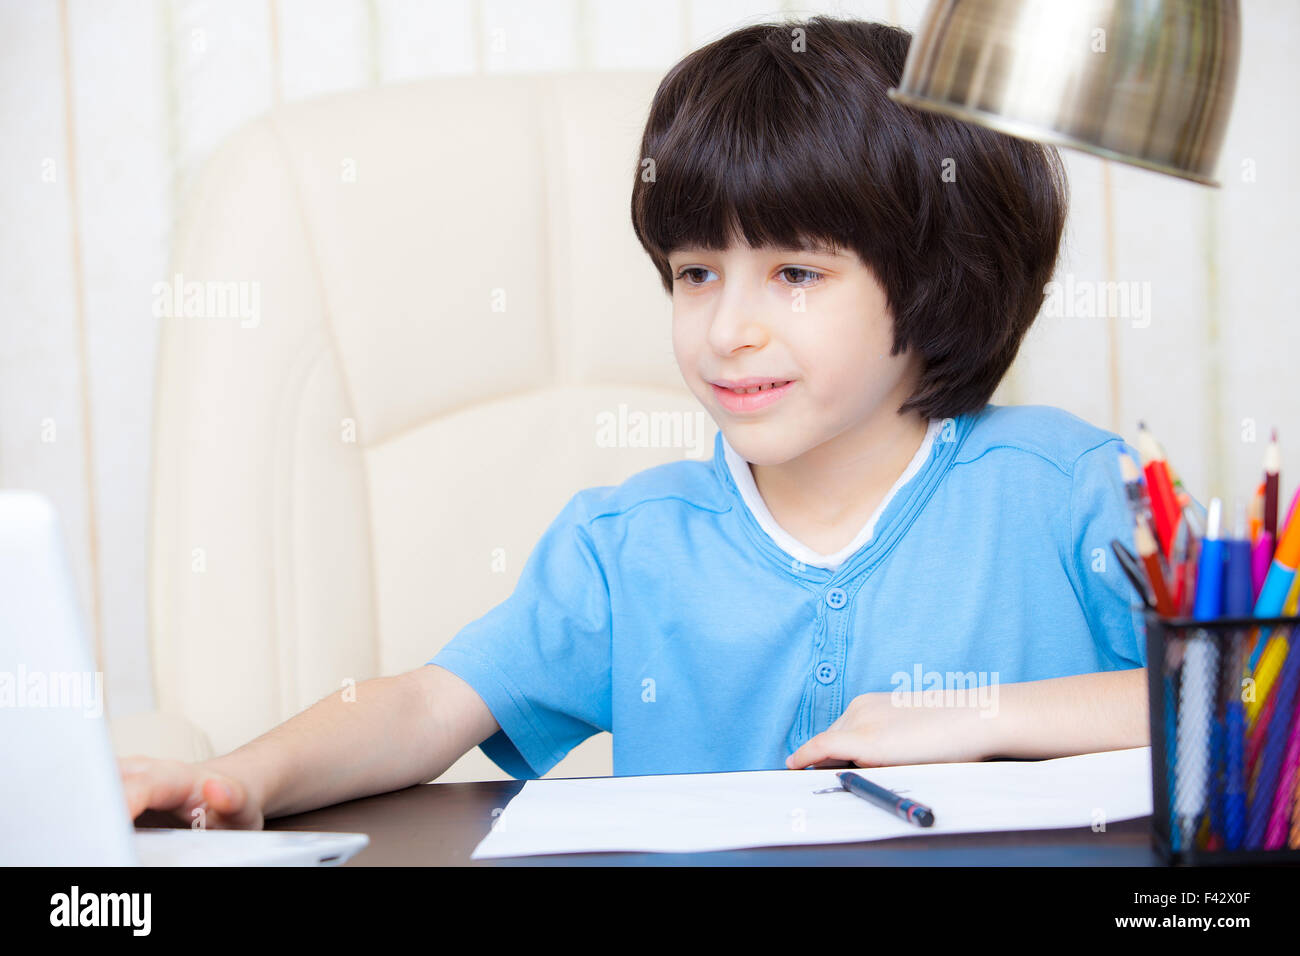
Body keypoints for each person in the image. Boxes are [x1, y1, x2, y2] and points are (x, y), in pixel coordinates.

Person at [120, 16, 1148, 829]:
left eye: (794, 272)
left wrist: (970, 718)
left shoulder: (1067, 492)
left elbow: (1240, 700)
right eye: (696, 273)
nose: (727, 327)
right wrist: (236, 777)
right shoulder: (627, 546)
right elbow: (430, 704)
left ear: (934, 279)